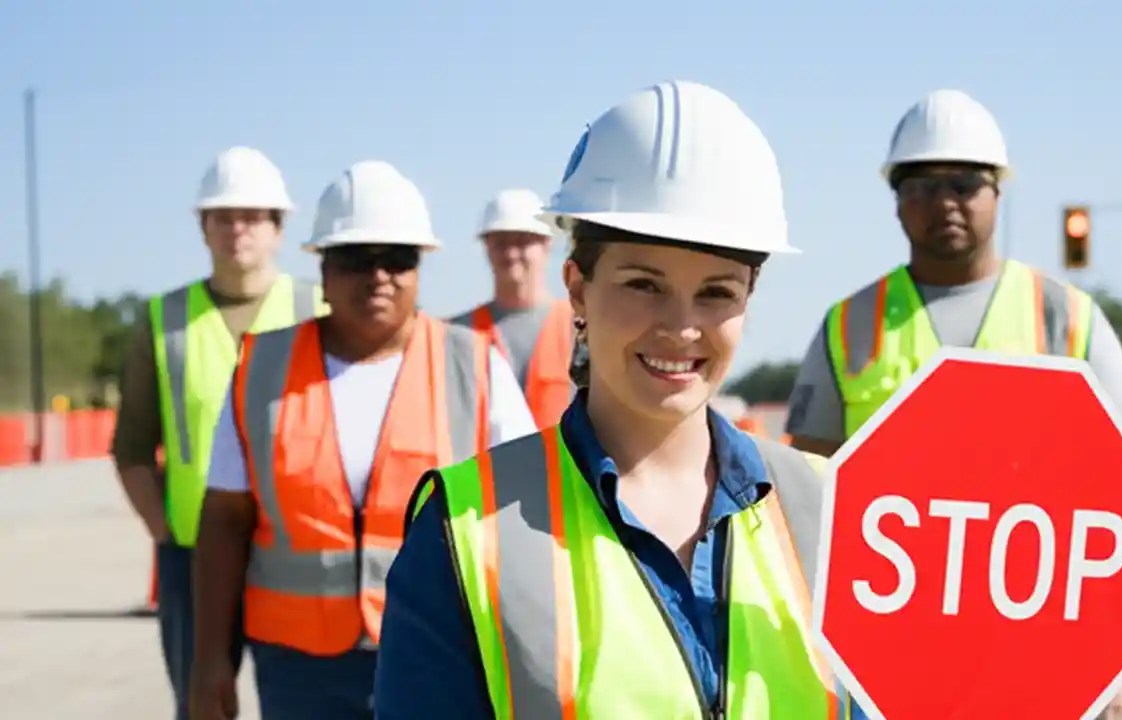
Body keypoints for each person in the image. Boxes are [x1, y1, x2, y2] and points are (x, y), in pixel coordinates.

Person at [375, 80, 867, 719]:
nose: (682, 327)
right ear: (577, 288)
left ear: (751, 295)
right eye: (644, 284)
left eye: (717, 292)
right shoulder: (466, 531)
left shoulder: (833, 513)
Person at [783, 88, 1122, 718]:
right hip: (888, 647)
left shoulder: (1066, 317)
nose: (944, 202)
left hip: (1036, 637)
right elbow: (808, 493)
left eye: (964, 183)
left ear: (997, 193)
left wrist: (1117, 659)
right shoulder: (849, 325)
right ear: (895, 199)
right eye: (920, 186)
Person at [189, 160, 537, 720]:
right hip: (298, 666)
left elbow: (524, 521)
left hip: (439, 647)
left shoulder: (474, 366)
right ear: (323, 270)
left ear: (420, 269)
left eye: (397, 259)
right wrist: (210, 662)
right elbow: (225, 520)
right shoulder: (260, 368)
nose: (378, 276)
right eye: (355, 259)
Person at [110, 145, 326, 720]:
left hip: (298, 550)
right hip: (194, 558)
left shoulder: (319, 306)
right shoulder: (165, 319)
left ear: (279, 228)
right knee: (202, 703)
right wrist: (167, 533)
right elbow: (131, 450)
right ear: (203, 227)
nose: (238, 229)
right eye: (224, 216)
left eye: (253, 216)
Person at [450, 188, 576, 429]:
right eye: (501, 243)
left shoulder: (580, 328)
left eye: (522, 241)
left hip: (567, 465)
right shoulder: (456, 334)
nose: (511, 253)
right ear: (486, 247)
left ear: (546, 244)